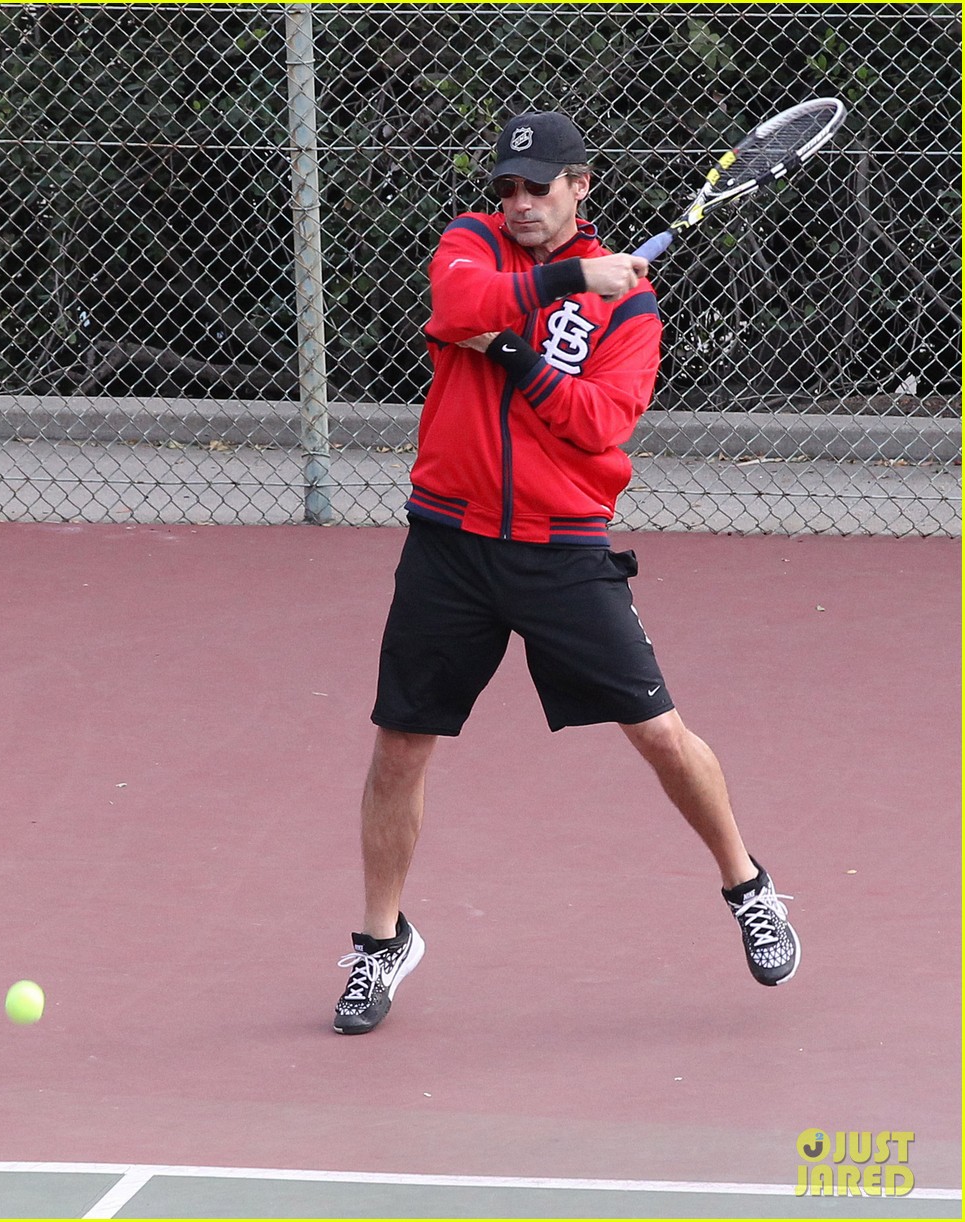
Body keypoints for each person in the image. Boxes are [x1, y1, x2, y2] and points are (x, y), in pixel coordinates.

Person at [332, 111, 799, 1035]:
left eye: (537, 188)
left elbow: (598, 424)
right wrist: (563, 280)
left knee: (661, 734)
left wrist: (511, 353)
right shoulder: (470, 245)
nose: (518, 204)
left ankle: (748, 886)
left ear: (580, 186)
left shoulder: (629, 306)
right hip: (449, 544)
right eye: (505, 188)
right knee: (399, 748)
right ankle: (379, 947)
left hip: (563, 549)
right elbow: (453, 309)